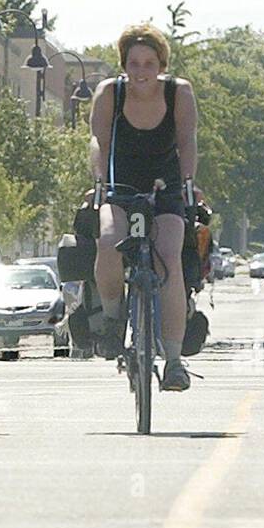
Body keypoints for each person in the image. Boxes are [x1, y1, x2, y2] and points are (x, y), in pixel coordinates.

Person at [87, 23, 199, 392]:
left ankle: (174, 361)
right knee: (108, 241)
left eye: (149, 63)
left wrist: (186, 188)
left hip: (164, 188)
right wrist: (100, 183)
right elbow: (98, 142)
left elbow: (187, 143)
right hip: (120, 187)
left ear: (161, 64)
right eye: (133, 63)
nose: (141, 72)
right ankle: (112, 319)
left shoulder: (178, 93)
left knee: (168, 257)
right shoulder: (110, 93)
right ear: (123, 64)